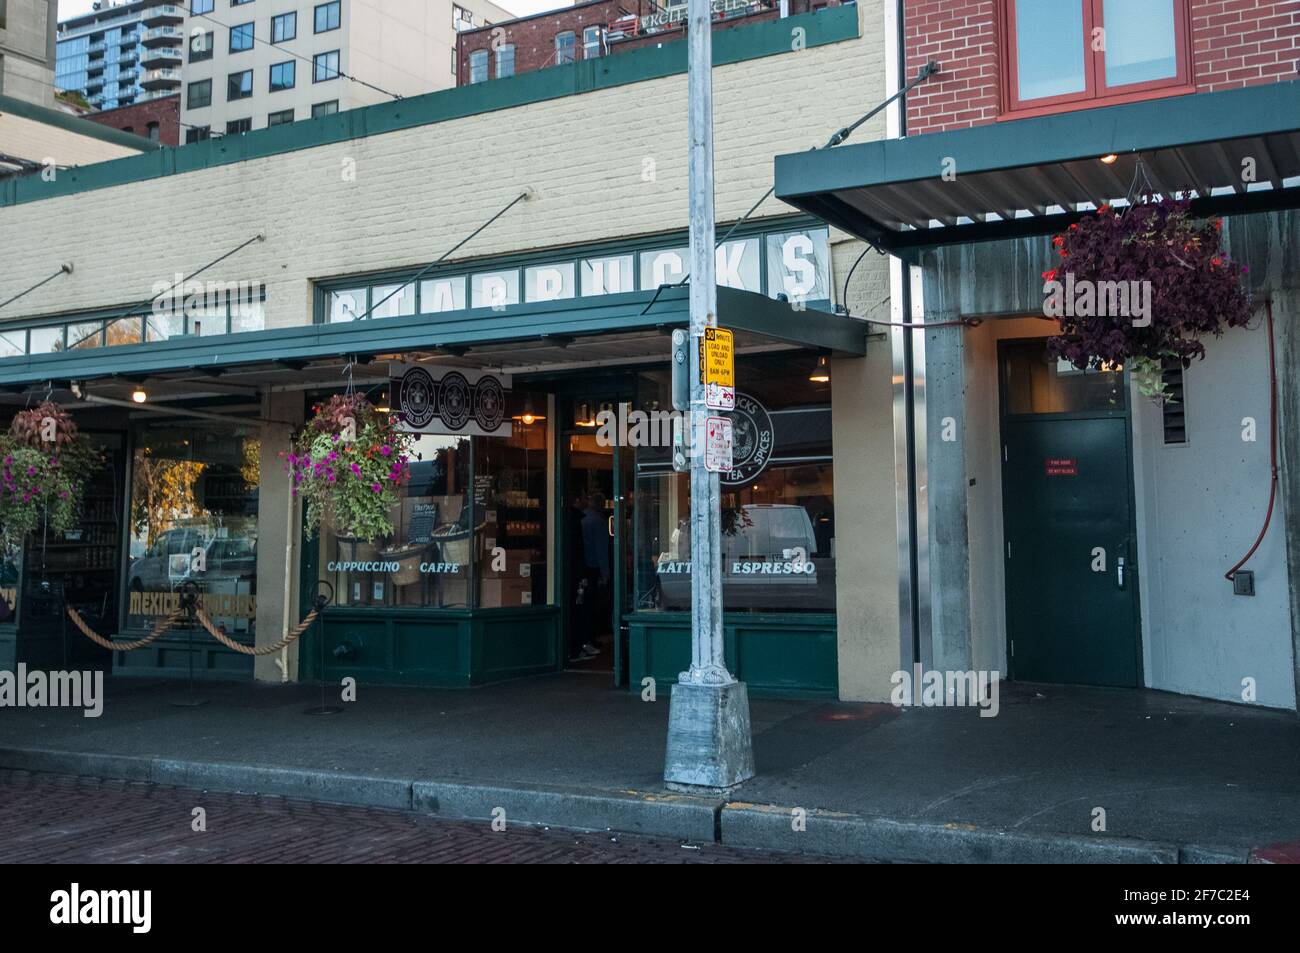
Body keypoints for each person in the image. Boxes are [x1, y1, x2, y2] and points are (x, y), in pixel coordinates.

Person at [576, 491, 611, 660]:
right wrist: (605, 573)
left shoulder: (582, 520)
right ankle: (588, 639)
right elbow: (601, 550)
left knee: (584, 605)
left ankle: (587, 639)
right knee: (592, 605)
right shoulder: (598, 522)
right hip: (593, 568)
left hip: (584, 567)